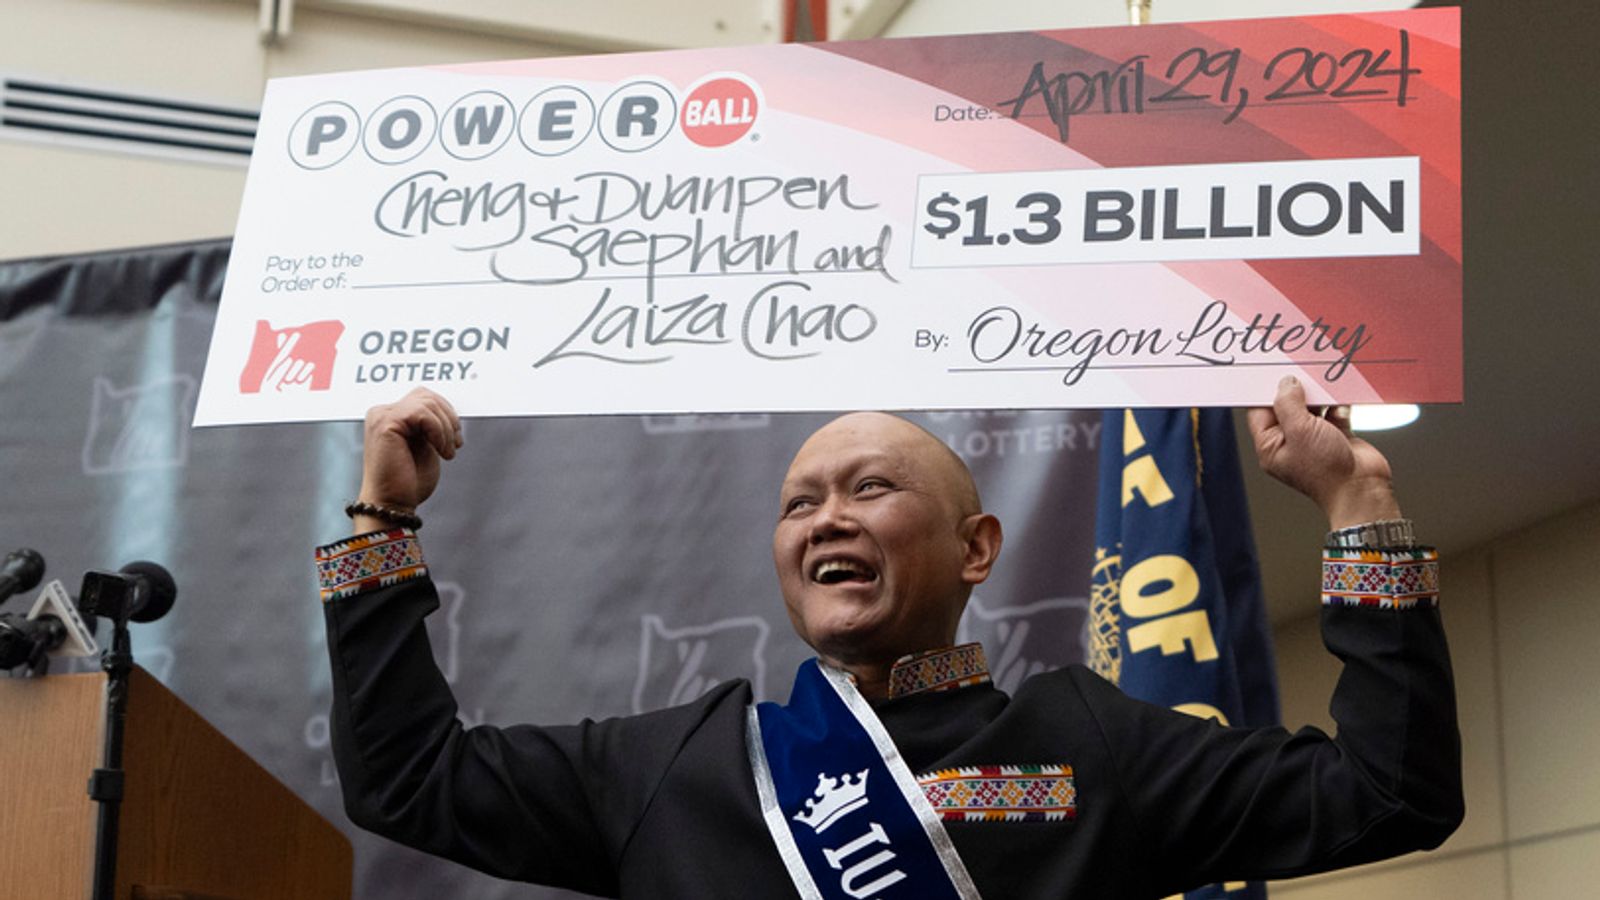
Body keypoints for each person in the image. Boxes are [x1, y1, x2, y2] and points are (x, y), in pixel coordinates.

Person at [315, 379, 1461, 898]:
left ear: (976, 549)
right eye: (798, 502)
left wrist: (1357, 505)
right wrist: (384, 517)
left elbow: (1392, 791)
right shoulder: (678, 769)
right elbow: (409, 781)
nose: (827, 518)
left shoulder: (1086, 745)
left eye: (869, 487)